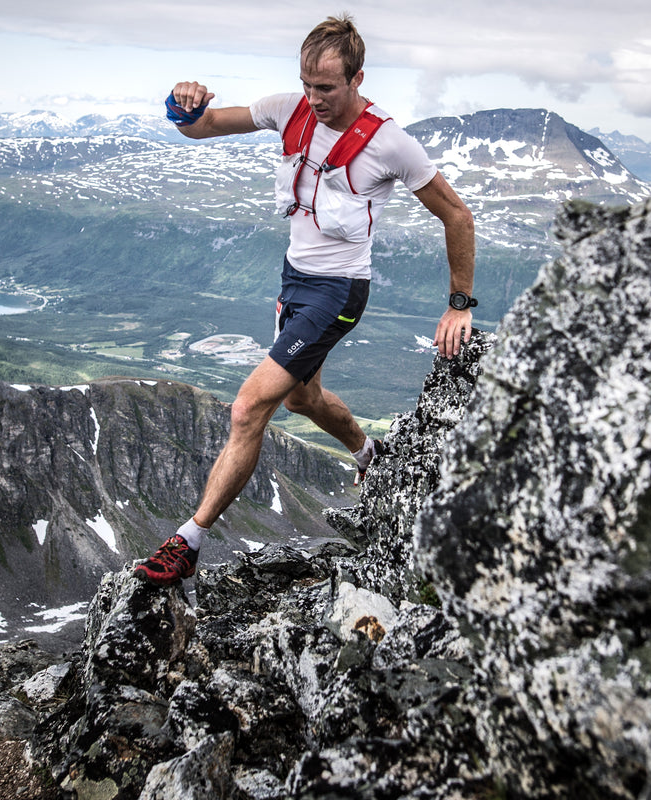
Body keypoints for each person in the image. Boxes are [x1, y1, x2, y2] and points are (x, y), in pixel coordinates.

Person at [134, 14, 476, 586]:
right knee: (301, 400)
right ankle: (371, 455)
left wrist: (460, 302)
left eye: (327, 88)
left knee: (249, 408)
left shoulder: (389, 142)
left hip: (340, 291)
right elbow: (202, 126)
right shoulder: (286, 108)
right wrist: (181, 103)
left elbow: (456, 214)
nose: (314, 99)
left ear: (357, 78)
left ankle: (187, 541)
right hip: (295, 281)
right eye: (307, 84)